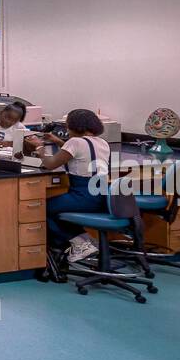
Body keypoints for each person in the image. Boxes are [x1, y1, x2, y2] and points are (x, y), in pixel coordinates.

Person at [41, 108, 113, 265]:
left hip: (83, 196)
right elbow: (81, 151)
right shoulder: (103, 143)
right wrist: (56, 141)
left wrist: (40, 150)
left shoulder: (74, 142)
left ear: (75, 126)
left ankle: (79, 242)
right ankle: (84, 241)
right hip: (101, 197)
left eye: (67, 126)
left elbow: (50, 164)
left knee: (42, 208)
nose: (67, 130)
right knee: (58, 207)